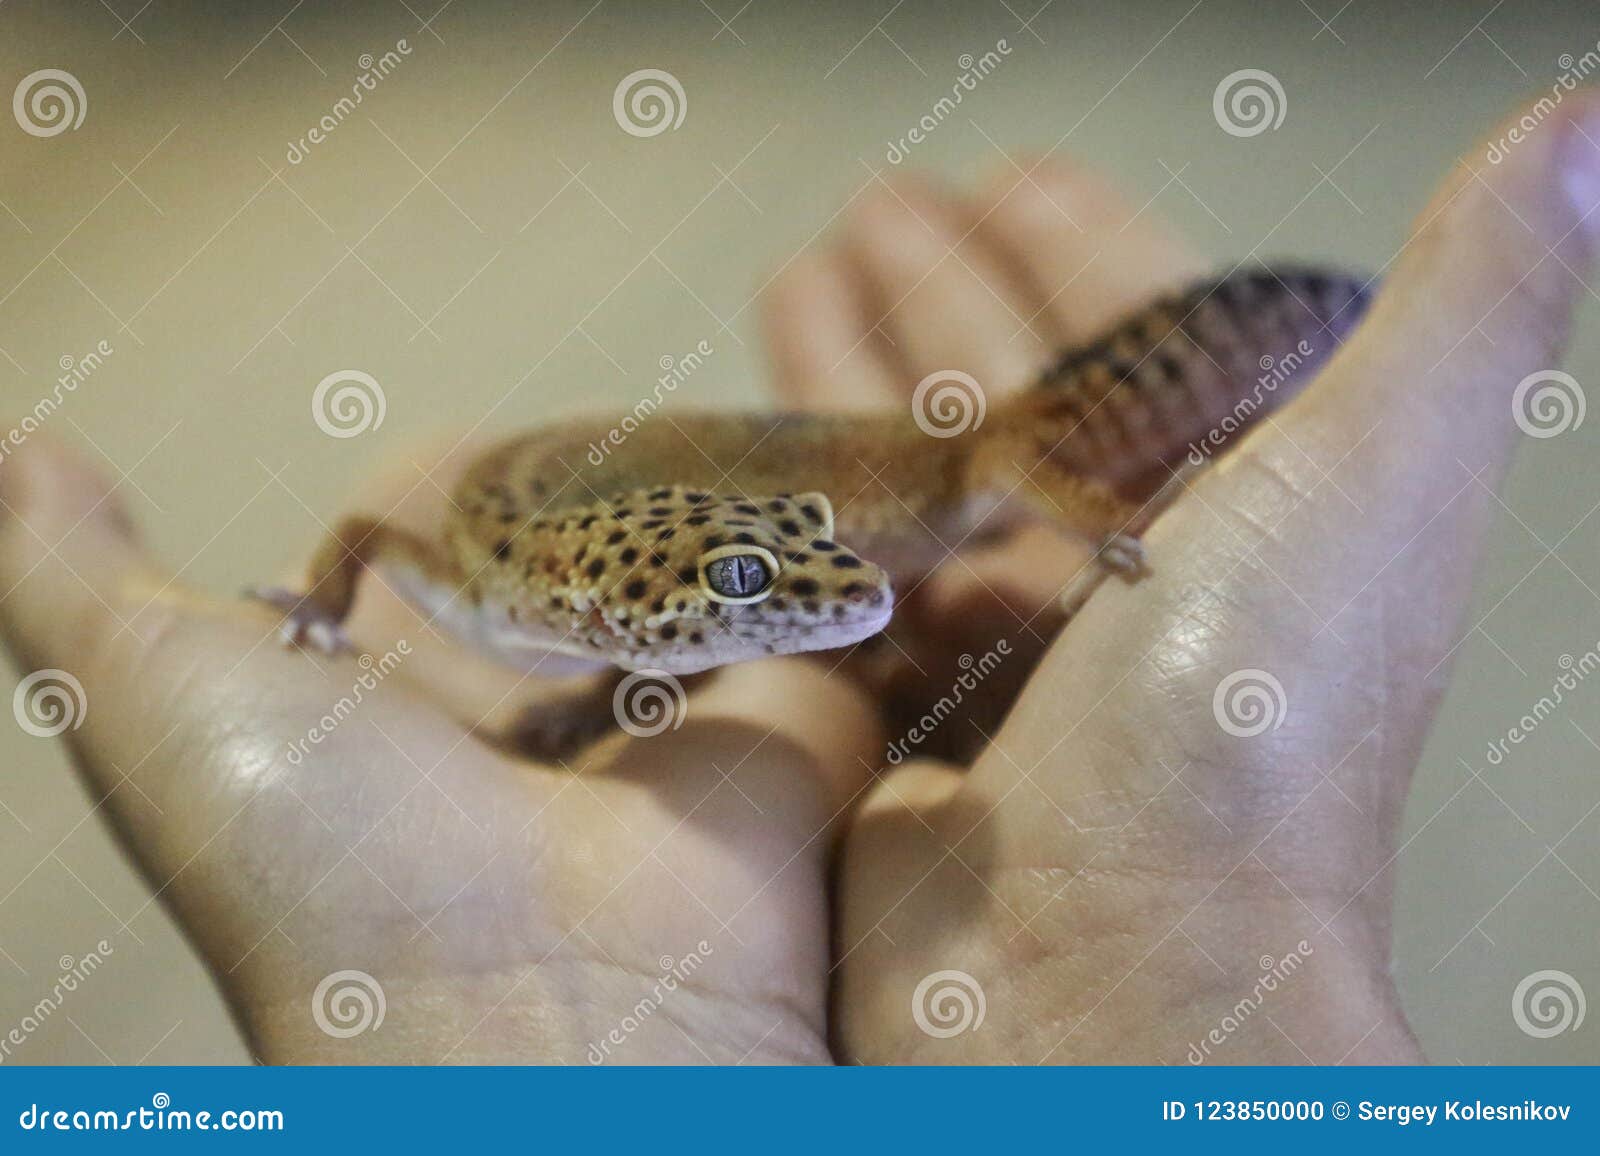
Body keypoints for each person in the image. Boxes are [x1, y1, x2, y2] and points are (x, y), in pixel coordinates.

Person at [2, 92, 1595, 1064]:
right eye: (774, 595)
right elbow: (367, 552)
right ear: (629, 615)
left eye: (804, 583)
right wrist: (318, 619)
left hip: (821, 474)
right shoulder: (484, 588)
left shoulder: (770, 548)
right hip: (686, 506)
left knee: (986, 474)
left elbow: (885, 524)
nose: (852, 605)